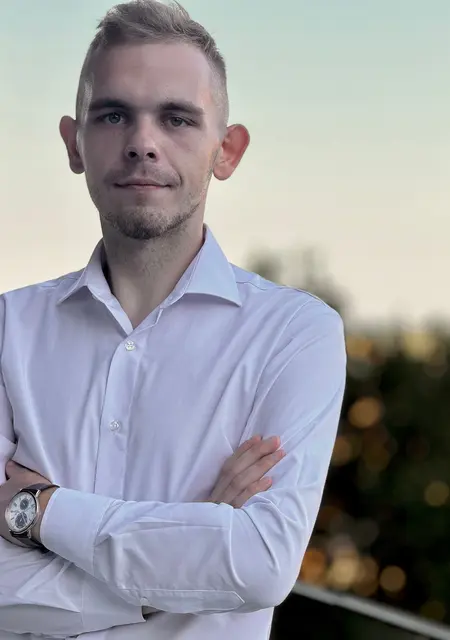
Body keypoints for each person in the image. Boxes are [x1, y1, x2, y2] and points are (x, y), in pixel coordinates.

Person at [0, 1, 347, 638]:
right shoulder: (5, 329)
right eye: (113, 115)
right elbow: (227, 569)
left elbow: (259, 564)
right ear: (74, 143)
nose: (143, 142)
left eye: (177, 118)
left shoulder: (295, 335)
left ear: (227, 150)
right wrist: (187, 560)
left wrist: (36, 511)